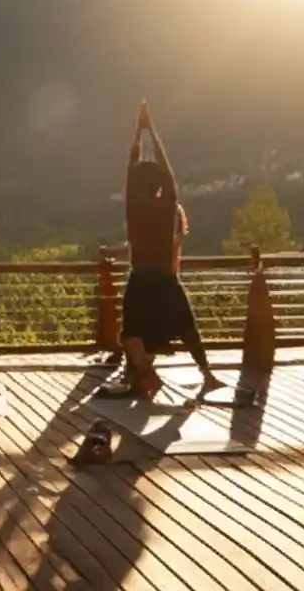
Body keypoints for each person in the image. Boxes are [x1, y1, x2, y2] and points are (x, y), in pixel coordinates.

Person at [120, 101, 222, 400]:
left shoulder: (133, 206)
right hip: (165, 279)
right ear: (159, 186)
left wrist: (139, 135)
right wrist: (152, 132)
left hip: (140, 280)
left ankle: (142, 373)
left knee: (132, 334)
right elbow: (169, 174)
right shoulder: (167, 208)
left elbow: (131, 165)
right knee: (186, 328)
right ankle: (207, 375)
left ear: (137, 185)